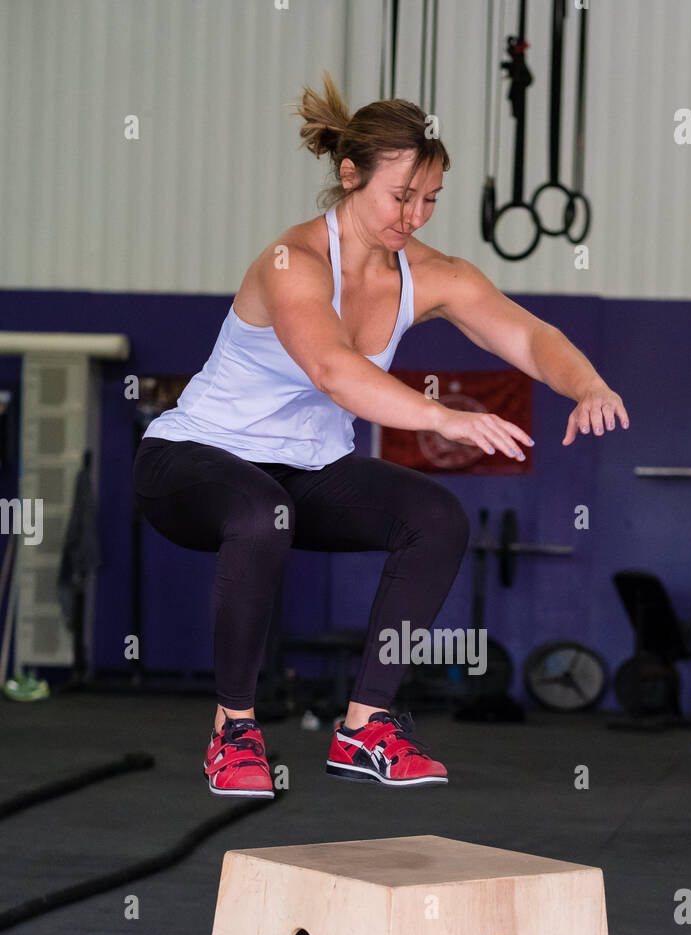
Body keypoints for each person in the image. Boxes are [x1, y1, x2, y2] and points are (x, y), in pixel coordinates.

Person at [133, 72, 628, 797]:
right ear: (349, 174)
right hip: (192, 462)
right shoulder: (292, 264)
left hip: (301, 470)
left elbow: (529, 337)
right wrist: (441, 417)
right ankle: (233, 729)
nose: (414, 216)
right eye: (400, 196)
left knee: (435, 517)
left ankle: (366, 724)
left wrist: (587, 383)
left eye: (430, 200)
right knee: (258, 511)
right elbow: (333, 371)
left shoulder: (429, 275)